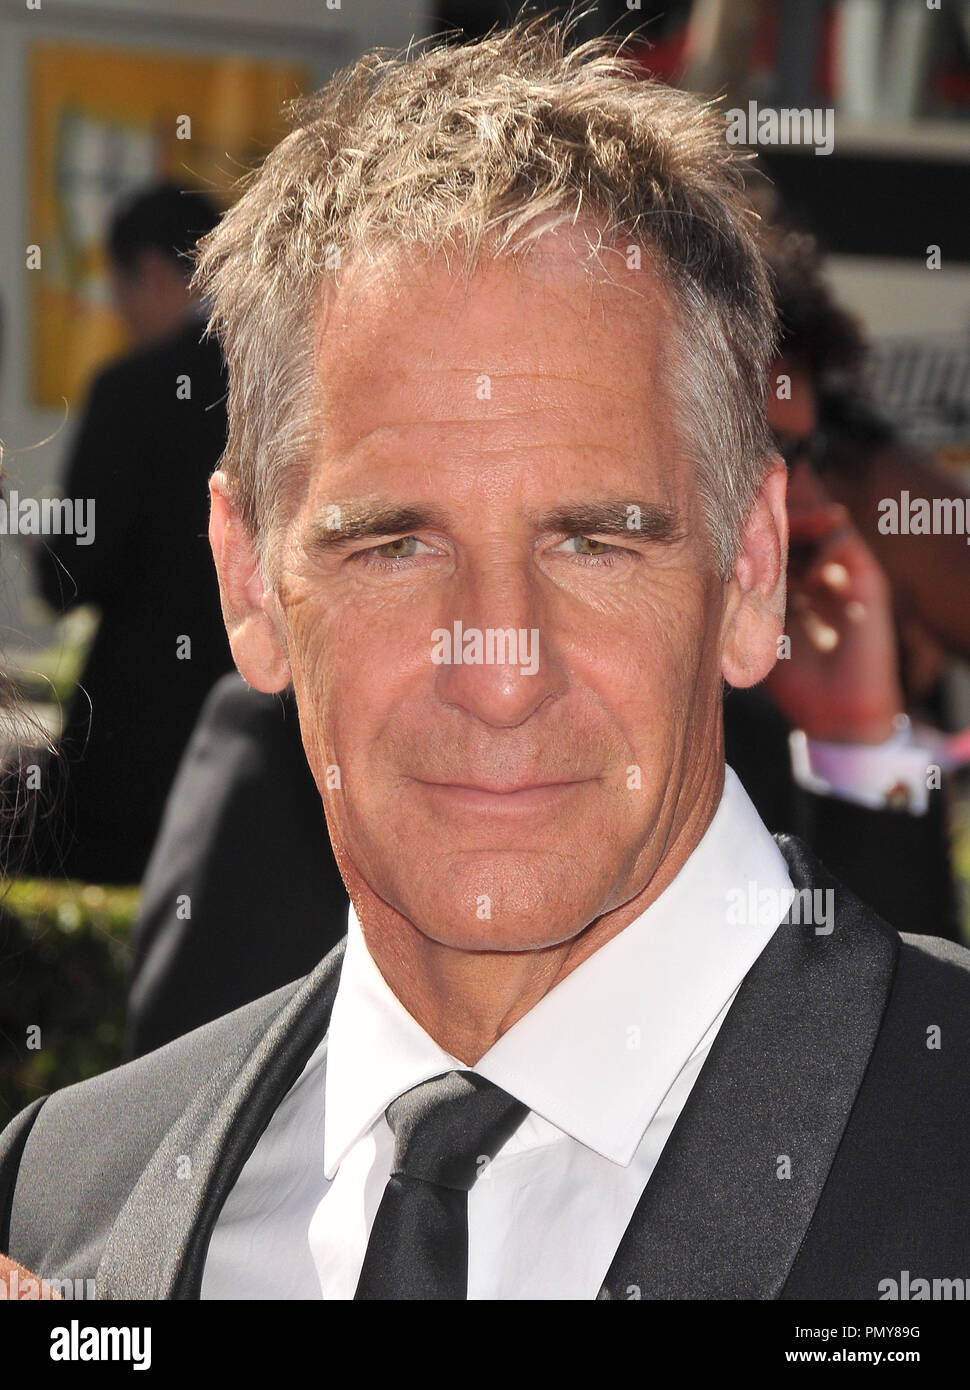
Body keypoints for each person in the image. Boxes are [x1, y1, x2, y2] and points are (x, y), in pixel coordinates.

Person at [1, 18, 968, 1300]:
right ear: (251, 583)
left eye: (595, 542)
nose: (501, 668)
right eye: (393, 547)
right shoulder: (70, 1199)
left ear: (749, 572)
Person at [31, 183, 235, 884]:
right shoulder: (291, 379)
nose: (118, 314)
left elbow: (72, 573)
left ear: (150, 272)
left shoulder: (133, 389)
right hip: (266, 741)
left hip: (134, 749)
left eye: (119, 290)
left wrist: (37, 540)